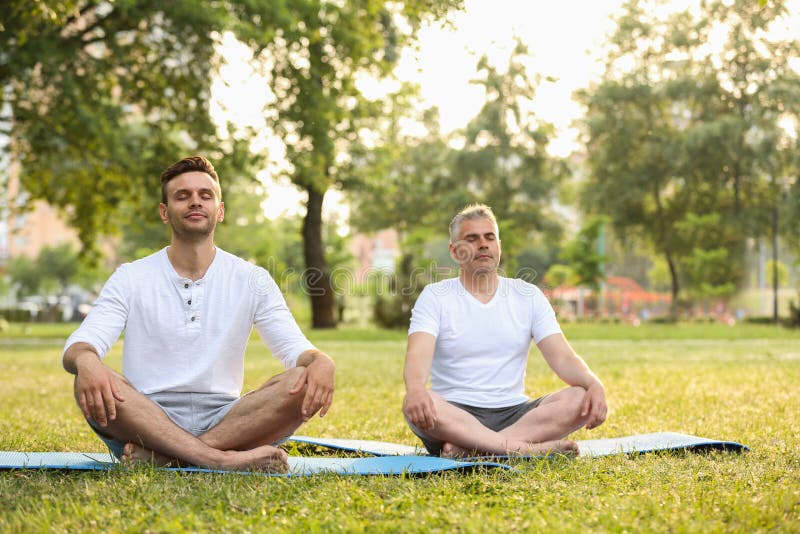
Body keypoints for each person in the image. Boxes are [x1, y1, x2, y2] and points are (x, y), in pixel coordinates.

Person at [63, 155, 335, 472]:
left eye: (205, 195)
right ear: (165, 212)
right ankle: (217, 459)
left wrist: (322, 361)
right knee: (90, 372)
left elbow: (296, 351)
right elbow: (81, 345)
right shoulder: (131, 276)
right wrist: (86, 361)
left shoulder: (253, 279)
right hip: (145, 418)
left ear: (219, 210)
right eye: (183, 195)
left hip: (230, 420)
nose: (195, 202)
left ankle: (167, 458)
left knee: (303, 378)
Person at [402, 204, 607, 458]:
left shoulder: (528, 295)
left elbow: (563, 357)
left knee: (579, 397)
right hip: (454, 417)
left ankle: (475, 450)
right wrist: (416, 388)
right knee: (420, 400)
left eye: (489, 237)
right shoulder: (435, 296)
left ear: (499, 246)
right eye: (472, 238)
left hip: (516, 415)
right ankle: (522, 450)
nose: (483, 245)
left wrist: (593, 383)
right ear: (455, 251)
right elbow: (417, 355)